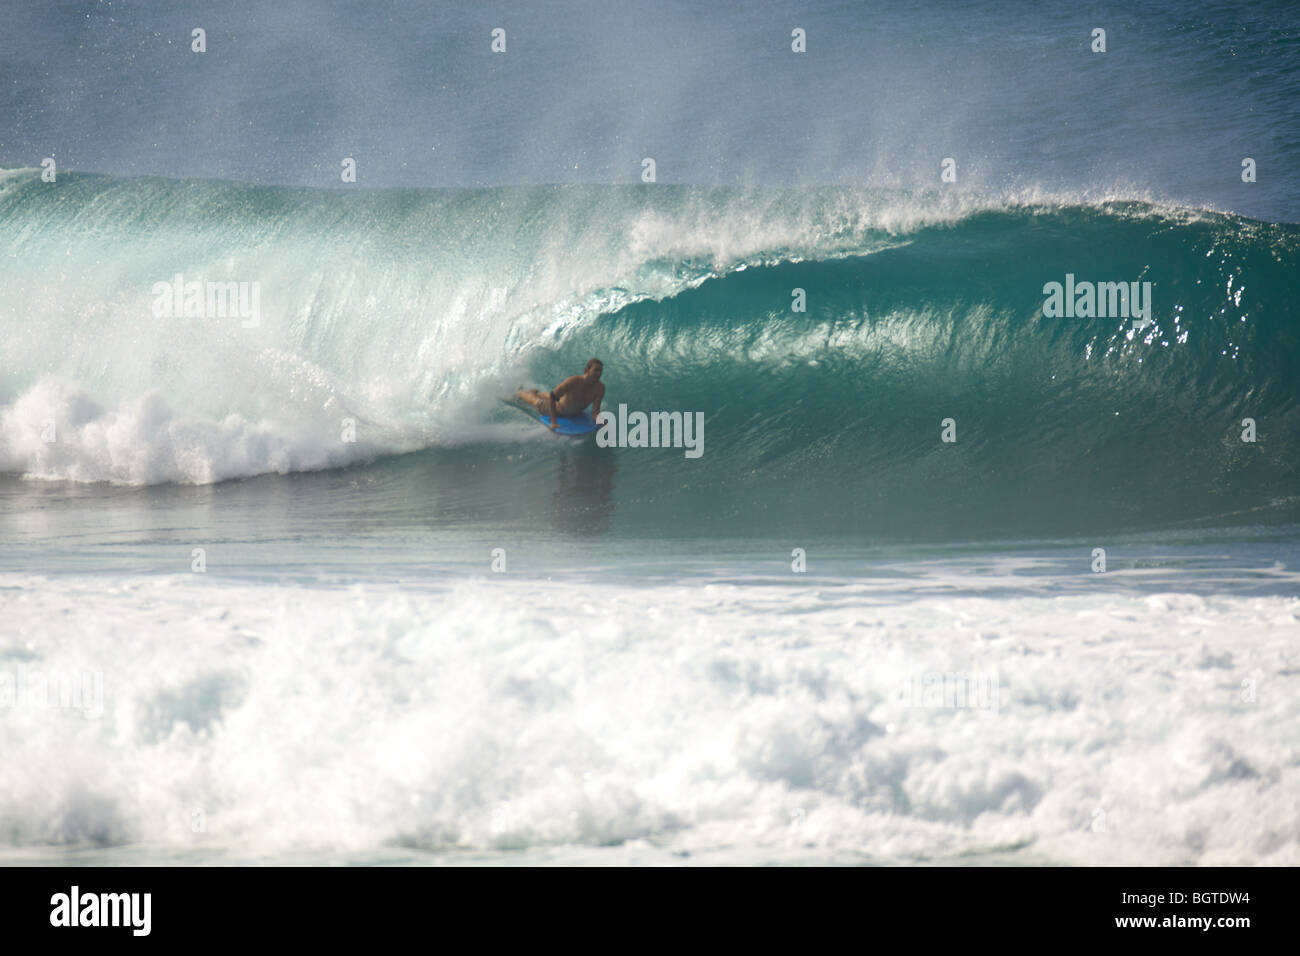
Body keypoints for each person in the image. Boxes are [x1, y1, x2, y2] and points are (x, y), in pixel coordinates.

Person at [516, 358, 605, 431]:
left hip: (572, 410)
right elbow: (552, 397)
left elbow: (595, 412)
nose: (598, 374)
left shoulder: (600, 388)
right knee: (536, 402)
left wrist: (599, 420)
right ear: (587, 370)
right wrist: (553, 421)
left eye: (600, 371)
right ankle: (520, 392)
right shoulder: (574, 381)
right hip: (558, 410)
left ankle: (537, 392)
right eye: (596, 370)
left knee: (559, 397)